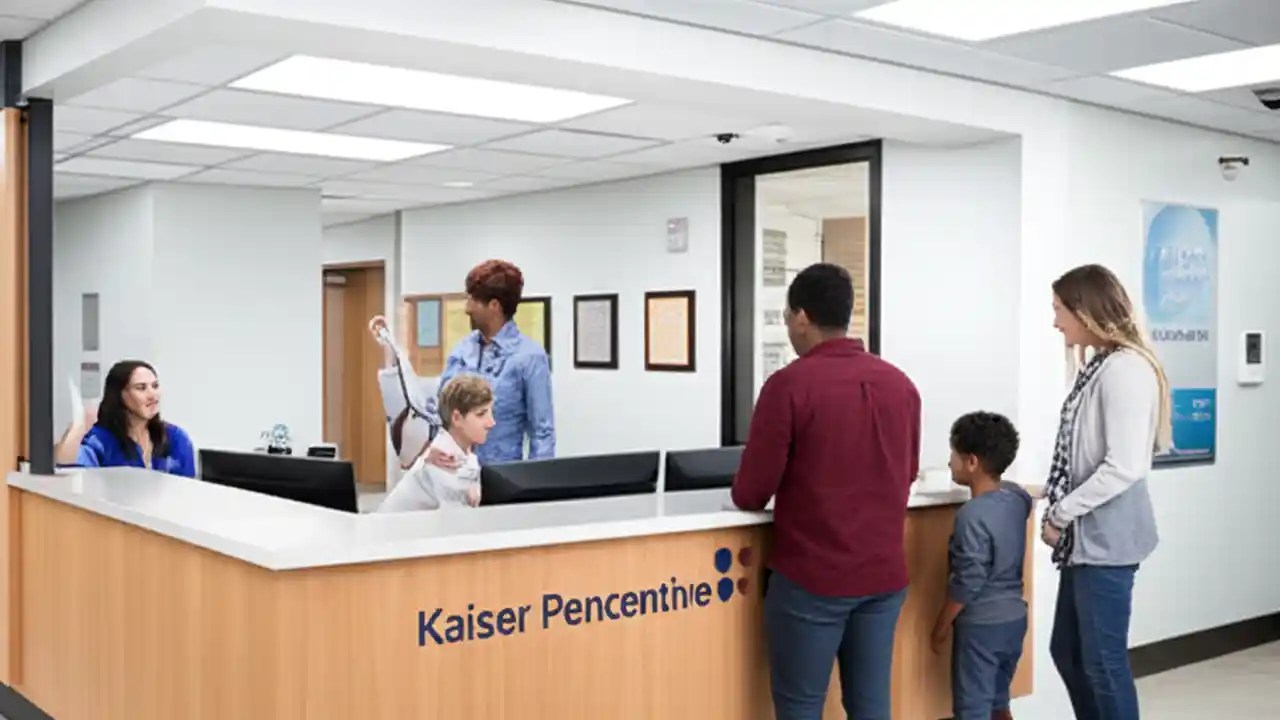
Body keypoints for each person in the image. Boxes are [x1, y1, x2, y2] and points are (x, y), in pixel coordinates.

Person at [730, 262, 921, 720]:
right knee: (871, 706)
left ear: (801, 317)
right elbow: (908, 472)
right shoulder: (901, 385)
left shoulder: (789, 386)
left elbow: (751, 493)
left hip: (814, 580)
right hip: (883, 578)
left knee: (800, 709)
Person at [1042, 264, 1168, 720]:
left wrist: (1060, 512)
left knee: (1102, 663)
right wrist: (1045, 492)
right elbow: (1088, 458)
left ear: (1085, 309)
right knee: (1069, 653)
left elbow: (1125, 466)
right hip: (1088, 540)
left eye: (1059, 310)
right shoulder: (1102, 365)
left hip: (1107, 542)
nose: (1055, 321)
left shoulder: (1126, 370)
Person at [931, 412, 1032, 720]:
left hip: (981, 628)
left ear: (972, 462)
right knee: (999, 703)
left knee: (973, 710)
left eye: (954, 456)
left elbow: (967, 582)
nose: (950, 463)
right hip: (1014, 620)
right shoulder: (1016, 500)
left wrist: (940, 627)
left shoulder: (971, 516)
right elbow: (1017, 489)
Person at [434, 259, 554, 466]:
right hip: (452, 474)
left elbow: (542, 433)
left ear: (494, 306)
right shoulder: (462, 349)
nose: (467, 308)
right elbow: (440, 411)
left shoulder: (529, 357)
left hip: (500, 476)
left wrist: (538, 489)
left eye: (473, 300)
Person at [54, 360, 196, 477]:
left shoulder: (176, 437)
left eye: (155, 386)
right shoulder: (100, 440)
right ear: (119, 394)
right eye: (141, 388)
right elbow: (64, 469)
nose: (152, 395)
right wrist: (78, 427)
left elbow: (189, 490)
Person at [377, 374, 494, 513]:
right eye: (481, 414)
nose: (491, 423)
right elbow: (460, 527)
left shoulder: (461, 452)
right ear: (456, 418)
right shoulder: (444, 461)